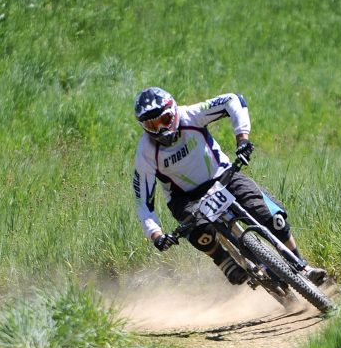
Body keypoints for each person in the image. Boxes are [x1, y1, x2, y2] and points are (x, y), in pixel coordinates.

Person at [130, 86, 326, 286]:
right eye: (152, 126)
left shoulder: (191, 115)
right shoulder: (145, 153)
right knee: (200, 233)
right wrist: (156, 235)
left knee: (273, 218)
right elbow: (142, 202)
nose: (160, 129)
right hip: (186, 199)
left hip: (223, 176)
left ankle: (302, 265)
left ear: (174, 111)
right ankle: (222, 260)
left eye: (164, 120)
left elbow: (233, 100)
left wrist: (242, 140)